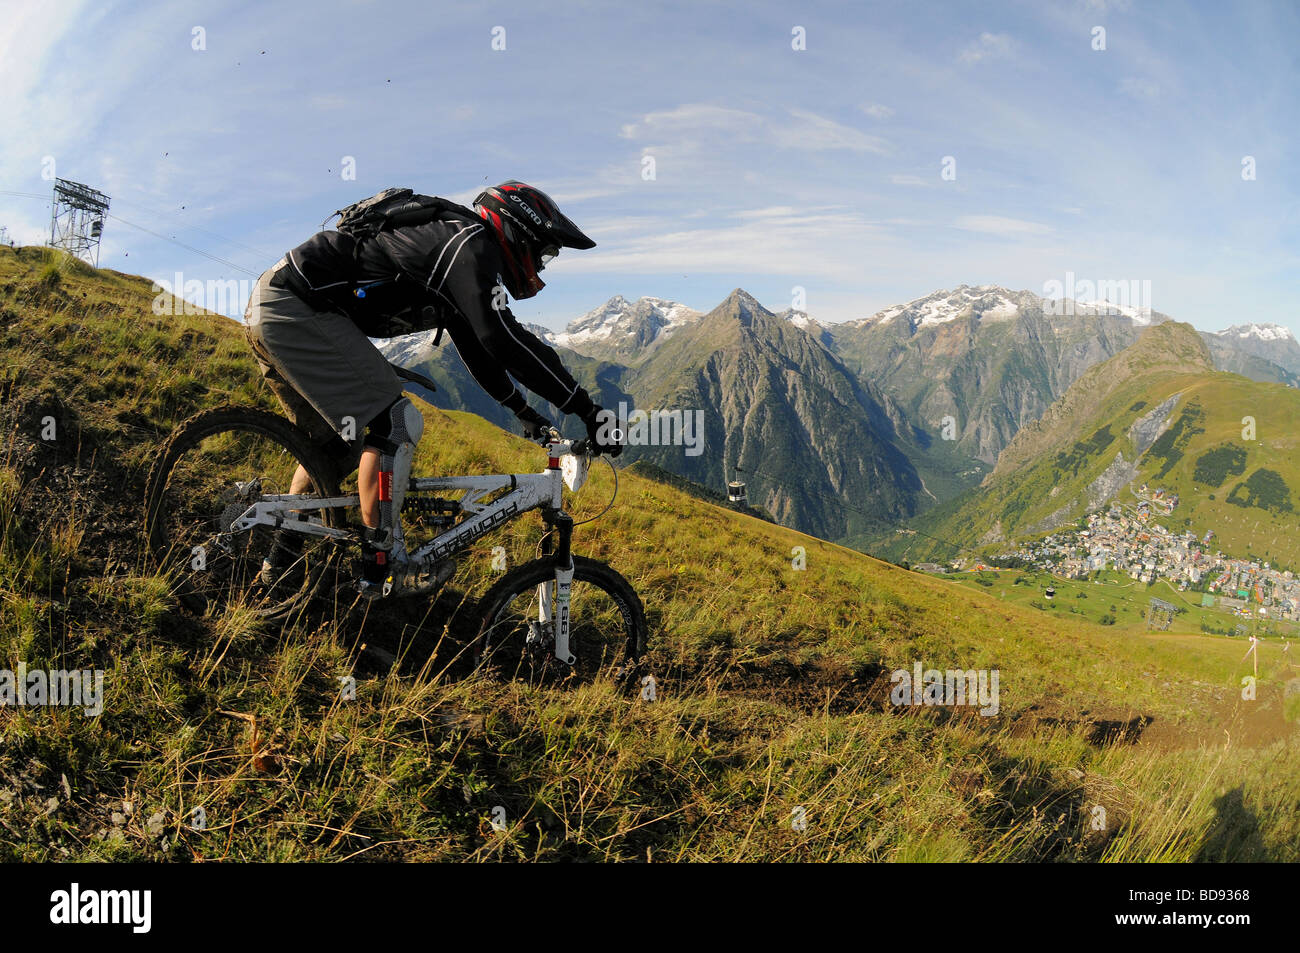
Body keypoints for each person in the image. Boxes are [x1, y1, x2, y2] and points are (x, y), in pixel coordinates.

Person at [243, 181, 621, 597]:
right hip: (297, 309)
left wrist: (524, 412)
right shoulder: (470, 247)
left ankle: (278, 563)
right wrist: (588, 409)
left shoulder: (457, 253)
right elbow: (503, 340)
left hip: (276, 306)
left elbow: (482, 351)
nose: (542, 265)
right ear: (519, 232)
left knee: (338, 442)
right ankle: (383, 566)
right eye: (543, 253)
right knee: (397, 422)